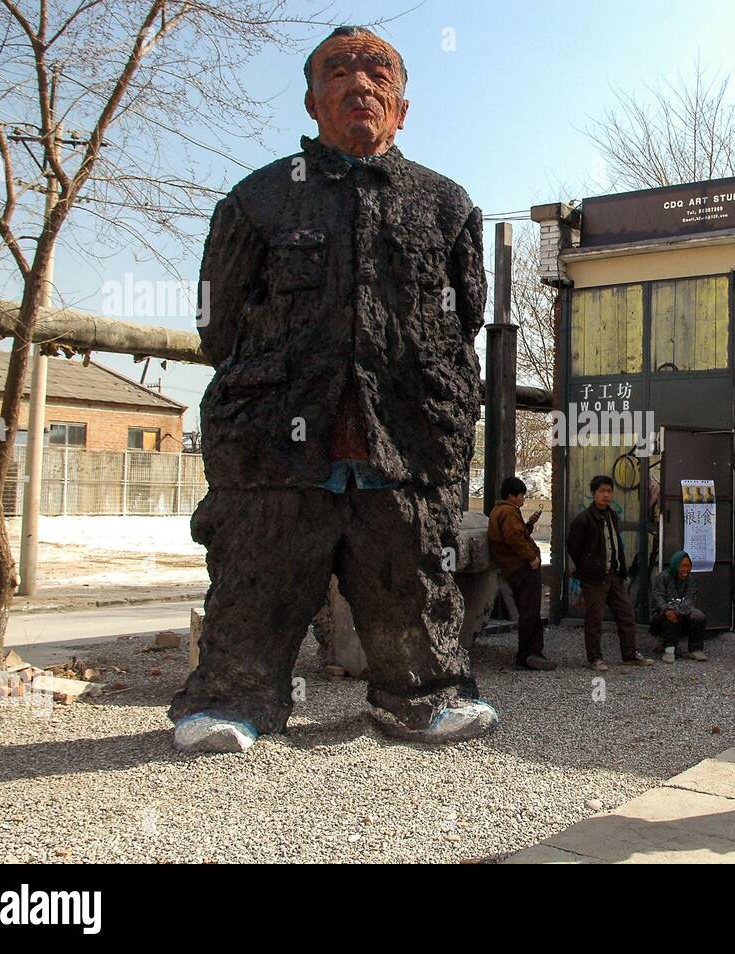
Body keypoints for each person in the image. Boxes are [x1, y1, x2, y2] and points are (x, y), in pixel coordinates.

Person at [170, 27, 495, 752]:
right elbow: (215, 324)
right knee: (260, 564)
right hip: (280, 433)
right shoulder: (259, 199)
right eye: (338, 71)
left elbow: (464, 320)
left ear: (402, 107)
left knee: (408, 566)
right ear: (313, 99)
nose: (359, 84)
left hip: (404, 430)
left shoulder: (445, 206)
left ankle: (419, 696)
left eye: (377, 72)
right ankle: (232, 700)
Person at [566, 475, 655, 671]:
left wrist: (621, 569)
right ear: (594, 493)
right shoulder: (584, 519)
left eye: (609, 491)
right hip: (594, 578)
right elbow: (573, 547)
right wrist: (587, 566)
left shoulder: (612, 514)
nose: (606, 495)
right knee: (594, 619)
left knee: (626, 615)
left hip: (613, 574)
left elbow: (616, 544)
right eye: (602, 491)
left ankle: (630, 654)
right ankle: (595, 658)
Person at [488, 476, 554, 671]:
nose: (523, 499)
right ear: (512, 495)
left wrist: (530, 525)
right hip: (522, 568)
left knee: (527, 610)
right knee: (530, 611)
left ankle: (529, 654)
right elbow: (514, 538)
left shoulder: (498, 511)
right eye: (521, 495)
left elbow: (516, 534)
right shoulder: (508, 512)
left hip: (513, 569)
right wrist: (531, 558)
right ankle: (529, 654)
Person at [651, 551, 708, 663]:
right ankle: (669, 649)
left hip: (682, 612)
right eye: (683, 566)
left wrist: (678, 611)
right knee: (670, 616)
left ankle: (695, 649)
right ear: (675, 566)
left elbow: (690, 599)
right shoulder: (662, 577)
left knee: (699, 616)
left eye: (688, 566)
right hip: (661, 615)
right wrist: (667, 609)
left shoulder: (691, 580)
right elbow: (658, 598)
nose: (685, 570)